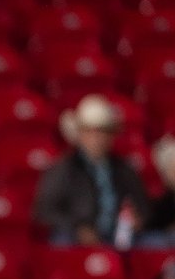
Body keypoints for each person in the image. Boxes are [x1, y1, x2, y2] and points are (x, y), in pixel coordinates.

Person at [35, 96, 147, 248]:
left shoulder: (124, 169)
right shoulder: (64, 169)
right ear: (80, 134)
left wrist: (138, 219)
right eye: (90, 132)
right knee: (62, 241)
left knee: (157, 242)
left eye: (103, 132)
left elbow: (143, 206)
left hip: (119, 236)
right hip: (77, 238)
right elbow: (45, 211)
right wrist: (78, 228)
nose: (97, 138)